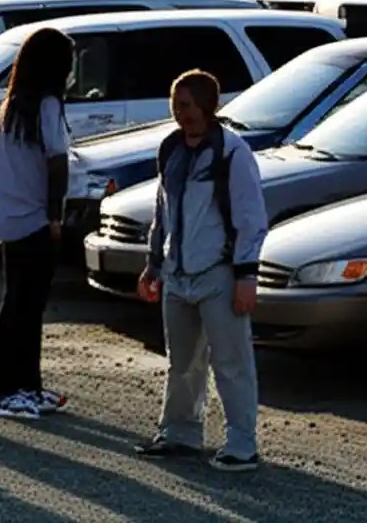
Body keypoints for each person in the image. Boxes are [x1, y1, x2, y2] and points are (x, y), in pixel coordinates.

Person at [134, 69, 267, 472]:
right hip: (178, 276)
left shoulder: (232, 153)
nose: (181, 114)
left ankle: (242, 444)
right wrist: (153, 265)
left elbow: (250, 217)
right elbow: (164, 212)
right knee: (182, 360)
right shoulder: (171, 151)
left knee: (231, 362)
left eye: (188, 105)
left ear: (209, 106)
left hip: (219, 275)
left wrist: (246, 277)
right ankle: (180, 433)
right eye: (176, 105)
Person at [0, 27, 74, 419]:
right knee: (23, 305)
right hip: (34, 218)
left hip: (11, 215)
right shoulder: (46, 105)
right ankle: (6, 389)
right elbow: (57, 163)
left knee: (24, 304)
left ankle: (28, 385)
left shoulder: (14, 105)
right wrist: (56, 216)